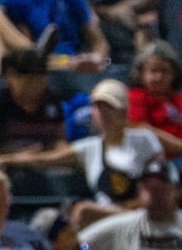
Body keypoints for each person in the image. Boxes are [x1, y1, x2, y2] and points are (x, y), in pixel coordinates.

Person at [69, 79, 164, 228]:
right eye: (98, 107)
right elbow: (43, 159)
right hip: (104, 217)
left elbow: (157, 187)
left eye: (109, 107)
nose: (103, 113)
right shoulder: (88, 147)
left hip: (140, 216)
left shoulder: (144, 139)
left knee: (84, 211)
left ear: (124, 111)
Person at [0, 49, 73, 171]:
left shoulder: (51, 103)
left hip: (41, 165)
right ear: (11, 77)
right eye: (29, 79)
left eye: (41, 78)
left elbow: (60, 140)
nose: (36, 85)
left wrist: (48, 155)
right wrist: (15, 155)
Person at [127, 42, 182, 157]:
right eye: (153, 71)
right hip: (158, 163)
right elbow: (143, 132)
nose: (159, 77)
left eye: (165, 71)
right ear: (141, 73)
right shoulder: (135, 97)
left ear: (174, 75)